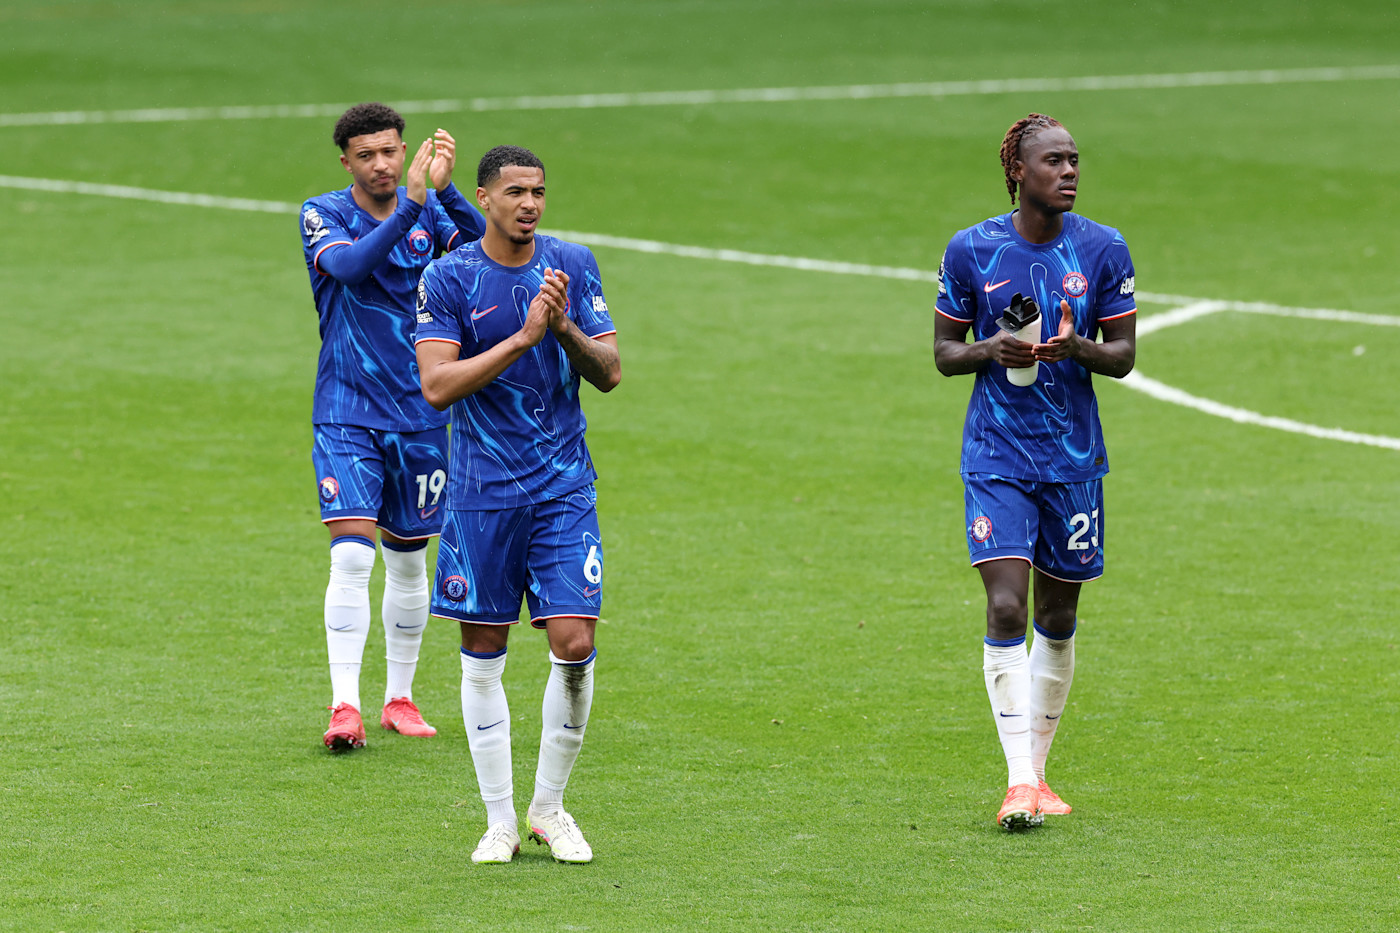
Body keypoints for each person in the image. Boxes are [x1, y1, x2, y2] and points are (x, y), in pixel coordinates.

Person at [414, 145, 621, 864]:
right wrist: (524, 337)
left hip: (563, 486)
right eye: (515, 192)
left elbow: (610, 371)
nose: (529, 203)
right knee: (483, 654)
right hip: (481, 495)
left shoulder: (572, 265)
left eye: (538, 191)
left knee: (575, 642)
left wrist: (563, 330)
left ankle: (549, 807)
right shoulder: (448, 277)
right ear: (484, 198)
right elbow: (437, 386)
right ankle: (499, 819)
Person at [932, 113, 1137, 830]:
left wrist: (1078, 347)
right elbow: (944, 352)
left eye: (1074, 159)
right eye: (1054, 160)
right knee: (1007, 607)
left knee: (1058, 616)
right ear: (1018, 170)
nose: (1070, 170)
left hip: (1073, 458)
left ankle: (1039, 775)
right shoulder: (973, 248)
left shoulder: (1104, 248)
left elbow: (1124, 356)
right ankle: (1019, 781)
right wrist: (992, 349)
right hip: (997, 453)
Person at [299, 102, 485, 750]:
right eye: (366, 155)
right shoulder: (322, 214)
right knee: (352, 554)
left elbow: (487, 252)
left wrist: (447, 193)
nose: (381, 164)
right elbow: (351, 268)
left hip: (421, 413)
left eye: (390, 151)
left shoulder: (430, 211)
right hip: (346, 410)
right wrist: (412, 207)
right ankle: (344, 705)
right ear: (345, 162)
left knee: (408, 560)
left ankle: (399, 698)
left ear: (405, 151)